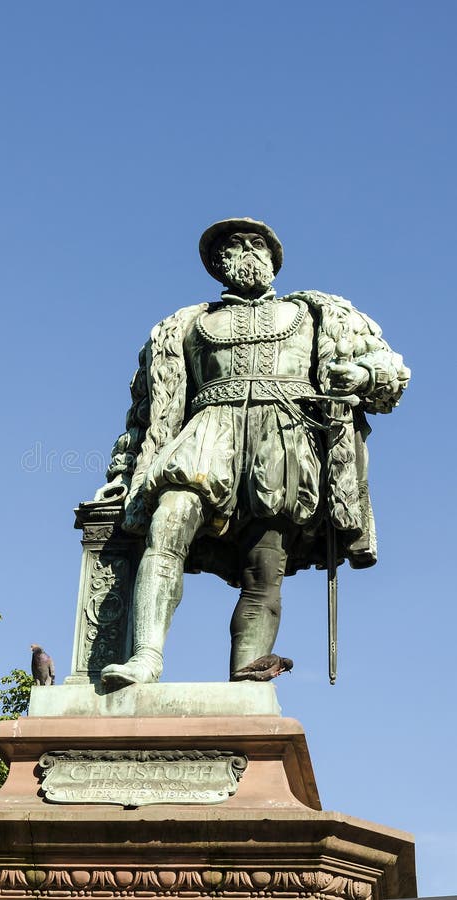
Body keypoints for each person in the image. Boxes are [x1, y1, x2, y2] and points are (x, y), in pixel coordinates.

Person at [94, 217, 409, 686]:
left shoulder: (322, 314)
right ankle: (145, 658)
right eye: (232, 246)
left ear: (273, 257)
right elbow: (146, 413)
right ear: (216, 263)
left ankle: (244, 683)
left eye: (255, 243)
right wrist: (123, 470)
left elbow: (389, 371)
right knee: (170, 518)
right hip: (207, 436)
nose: (245, 251)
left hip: (282, 446)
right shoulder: (183, 326)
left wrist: (361, 378)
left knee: (263, 569)